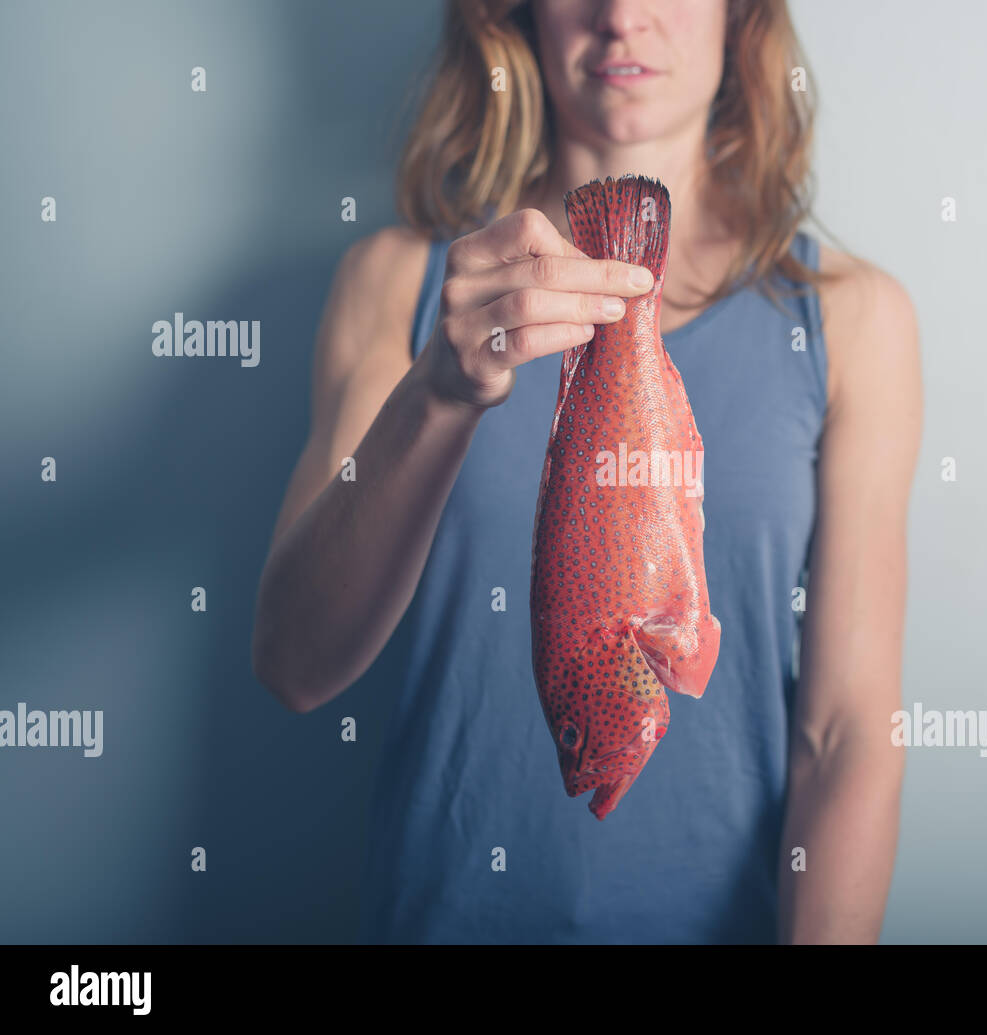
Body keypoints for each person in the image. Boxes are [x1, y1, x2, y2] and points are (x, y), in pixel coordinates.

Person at [252, 0, 921, 944]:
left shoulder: (853, 320)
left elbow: (847, 735)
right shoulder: (399, 284)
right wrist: (439, 392)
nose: (621, 17)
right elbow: (292, 662)